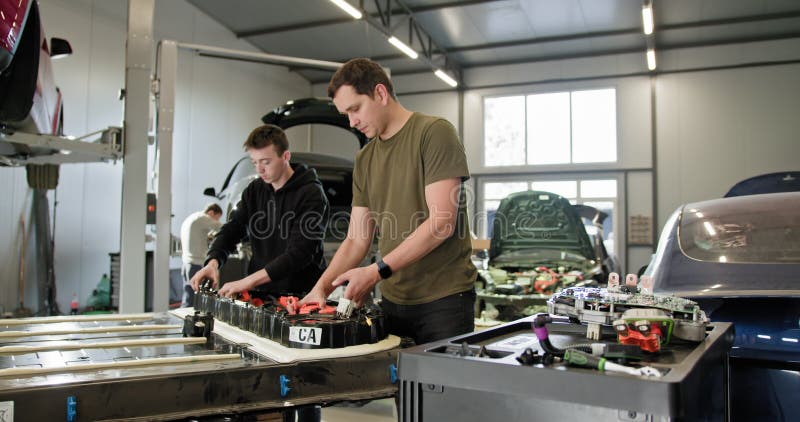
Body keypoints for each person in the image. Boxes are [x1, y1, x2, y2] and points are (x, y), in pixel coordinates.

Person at [299, 58, 477, 346]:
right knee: (400, 390)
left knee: (442, 391)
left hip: (444, 302)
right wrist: (320, 288)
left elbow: (441, 223)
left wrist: (375, 271)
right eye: (345, 114)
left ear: (380, 94)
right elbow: (357, 239)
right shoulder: (365, 159)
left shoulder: (433, 133)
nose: (352, 122)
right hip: (393, 301)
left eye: (355, 109)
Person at [190, 124, 327, 422]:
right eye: (255, 163)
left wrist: (245, 281)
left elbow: (298, 254)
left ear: (285, 156)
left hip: (301, 300)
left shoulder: (311, 195)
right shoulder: (255, 191)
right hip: (262, 298)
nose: (260, 169)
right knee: (256, 375)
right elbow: (232, 229)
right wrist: (213, 261)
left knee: (303, 382)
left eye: (266, 162)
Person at [179, 203, 223, 308]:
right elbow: (222, 228)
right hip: (196, 264)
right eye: (216, 218)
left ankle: (185, 322)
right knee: (200, 302)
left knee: (188, 298)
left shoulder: (192, 217)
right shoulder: (204, 217)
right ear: (211, 212)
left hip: (186, 264)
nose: (216, 221)